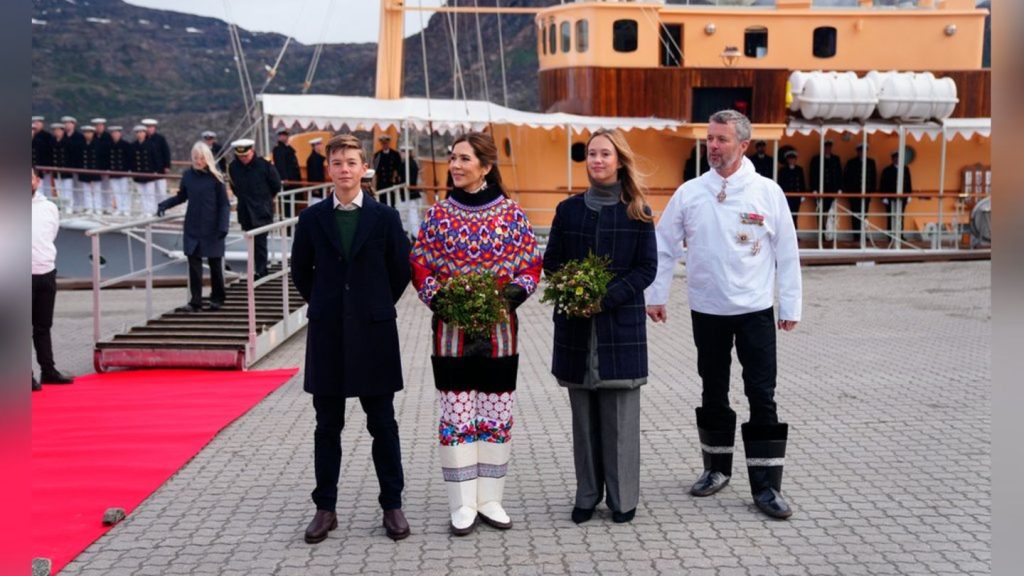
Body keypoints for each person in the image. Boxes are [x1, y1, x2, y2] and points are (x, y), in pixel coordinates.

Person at [646, 109, 802, 520]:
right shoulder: (690, 192)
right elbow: (665, 246)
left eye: (721, 140)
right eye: (710, 139)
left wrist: (790, 306)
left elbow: (787, 253)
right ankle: (716, 468)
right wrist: (656, 294)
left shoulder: (767, 192)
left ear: (743, 145)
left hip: (754, 312)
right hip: (708, 309)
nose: (713, 146)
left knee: (761, 394)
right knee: (712, 389)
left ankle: (767, 486)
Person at [410, 131, 542, 536]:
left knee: (497, 416)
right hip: (450, 336)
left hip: (501, 334)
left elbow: (531, 264)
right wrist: (442, 302)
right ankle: (462, 503)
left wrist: (509, 298)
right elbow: (419, 265)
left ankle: (491, 498)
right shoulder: (437, 215)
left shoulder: (511, 214)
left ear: (485, 167)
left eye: (464, 159)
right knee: (457, 417)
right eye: (453, 158)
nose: (455, 165)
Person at [290, 134, 412, 543]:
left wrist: (373, 304)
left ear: (365, 168)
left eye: (351, 162)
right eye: (337, 162)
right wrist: (328, 305)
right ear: (329, 169)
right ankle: (325, 508)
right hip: (328, 335)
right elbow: (300, 272)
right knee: (328, 426)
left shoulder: (384, 218)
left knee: (383, 423)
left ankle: (392, 505)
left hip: (374, 333)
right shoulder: (310, 219)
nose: (344, 169)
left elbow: (399, 271)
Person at [542, 129, 657, 525]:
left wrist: (605, 296)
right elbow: (552, 261)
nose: (597, 160)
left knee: (620, 420)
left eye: (605, 154)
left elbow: (647, 269)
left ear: (620, 160)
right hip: (576, 326)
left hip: (619, 325)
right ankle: (587, 494)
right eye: (592, 154)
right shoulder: (568, 210)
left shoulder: (638, 210)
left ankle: (623, 499)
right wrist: (573, 288)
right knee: (584, 420)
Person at [157, 142, 230, 313]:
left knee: (215, 265)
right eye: (196, 158)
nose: (199, 161)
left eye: (202, 158)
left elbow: (224, 205)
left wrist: (223, 226)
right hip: (193, 226)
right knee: (194, 266)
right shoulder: (188, 176)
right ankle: (195, 302)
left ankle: (217, 298)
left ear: (208, 159)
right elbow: (182, 196)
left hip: (213, 227)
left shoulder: (216, 178)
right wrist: (164, 205)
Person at [32, 169, 75, 391]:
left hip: (46, 272)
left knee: (43, 326)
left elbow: (51, 234)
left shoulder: (49, 207)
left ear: (37, 181)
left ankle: (48, 370)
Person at [228, 138, 281, 278]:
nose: (243, 159)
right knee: (251, 243)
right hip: (245, 210)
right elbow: (234, 188)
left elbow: (276, 185)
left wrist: (265, 199)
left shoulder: (265, 166)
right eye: (240, 156)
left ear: (252, 151)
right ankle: (256, 269)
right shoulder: (233, 167)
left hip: (262, 209)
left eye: (245, 156)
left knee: (260, 243)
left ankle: (261, 270)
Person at [843, 144, 877, 239]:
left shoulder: (871, 162)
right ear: (857, 152)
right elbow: (846, 177)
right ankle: (857, 235)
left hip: (866, 194)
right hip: (854, 194)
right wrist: (848, 192)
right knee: (855, 215)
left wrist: (871, 191)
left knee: (865, 214)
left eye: (864, 150)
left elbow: (874, 177)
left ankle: (864, 234)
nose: (862, 152)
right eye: (860, 151)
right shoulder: (851, 162)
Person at [880, 151, 913, 239]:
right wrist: (883, 197)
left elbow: (908, 182)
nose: (897, 159)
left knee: (900, 216)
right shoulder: (887, 170)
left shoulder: (905, 169)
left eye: (898, 157)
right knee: (890, 216)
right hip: (890, 197)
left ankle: (900, 235)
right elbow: (883, 184)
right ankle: (890, 236)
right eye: (895, 158)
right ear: (892, 159)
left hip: (902, 197)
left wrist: (909, 195)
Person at [809, 139, 842, 226]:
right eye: (826, 147)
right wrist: (814, 189)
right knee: (820, 212)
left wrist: (839, 188)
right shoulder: (816, 159)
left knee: (831, 212)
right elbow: (812, 175)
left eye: (829, 147)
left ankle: (830, 234)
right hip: (820, 190)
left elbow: (839, 174)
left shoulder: (835, 159)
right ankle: (822, 234)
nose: (827, 149)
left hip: (832, 190)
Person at [131, 125, 160, 215]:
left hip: (149, 172)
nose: (140, 134)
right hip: (138, 173)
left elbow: (155, 158)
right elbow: (131, 160)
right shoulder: (133, 145)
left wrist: (156, 170)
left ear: (145, 133)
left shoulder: (151, 145)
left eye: (142, 132)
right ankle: (144, 211)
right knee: (141, 194)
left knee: (150, 194)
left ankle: (150, 211)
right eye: (138, 132)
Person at [142, 118, 172, 201]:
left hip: (160, 168)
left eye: (151, 127)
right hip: (148, 169)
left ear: (154, 128)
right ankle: (152, 209)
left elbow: (166, 152)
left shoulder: (160, 139)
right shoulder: (143, 139)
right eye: (147, 127)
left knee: (161, 191)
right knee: (150, 192)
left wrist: (167, 166)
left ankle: (162, 209)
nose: (149, 129)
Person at [107, 126, 133, 215]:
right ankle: (119, 208)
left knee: (125, 191)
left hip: (123, 172)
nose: (115, 135)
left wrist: (129, 170)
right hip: (113, 172)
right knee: (116, 192)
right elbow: (107, 159)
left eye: (117, 133)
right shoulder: (109, 145)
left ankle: (126, 209)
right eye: (113, 133)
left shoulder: (126, 145)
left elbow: (129, 158)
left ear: (120, 134)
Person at [62, 116, 86, 213]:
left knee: (78, 187)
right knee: (66, 188)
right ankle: (68, 206)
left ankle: (80, 205)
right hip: (66, 166)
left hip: (77, 166)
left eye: (69, 123)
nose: (67, 125)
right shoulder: (62, 136)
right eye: (65, 123)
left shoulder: (79, 136)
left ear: (73, 124)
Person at [778, 149, 805, 229]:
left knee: (795, 215)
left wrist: (803, 194)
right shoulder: (783, 170)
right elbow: (780, 183)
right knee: (787, 215)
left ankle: (795, 233)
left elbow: (802, 182)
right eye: (790, 158)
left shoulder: (799, 169)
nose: (792, 160)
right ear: (787, 160)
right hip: (787, 197)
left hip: (797, 197)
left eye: (793, 158)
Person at [92, 118, 114, 213]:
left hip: (106, 167)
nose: (98, 127)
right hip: (96, 167)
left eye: (100, 125)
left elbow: (110, 153)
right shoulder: (93, 137)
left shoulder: (108, 137)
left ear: (103, 126)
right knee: (97, 189)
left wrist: (109, 168)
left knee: (107, 188)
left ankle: (108, 206)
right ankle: (98, 207)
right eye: (97, 126)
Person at [398, 144, 421, 238]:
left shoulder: (409, 164)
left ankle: (416, 235)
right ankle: (408, 233)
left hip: (410, 193)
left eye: (404, 151)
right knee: (406, 214)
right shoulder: (408, 162)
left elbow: (410, 179)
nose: (402, 153)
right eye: (402, 151)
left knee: (412, 216)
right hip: (407, 194)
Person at [79, 125, 102, 214]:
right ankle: (89, 207)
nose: (87, 134)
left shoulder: (98, 143)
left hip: (95, 170)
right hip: (85, 170)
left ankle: (98, 208)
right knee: (86, 191)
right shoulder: (82, 143)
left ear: (93, 133)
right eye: (85, 132)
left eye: (89, 132)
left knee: (97, 191)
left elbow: (101, 157)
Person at [372, 134, 402, 202]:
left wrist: (395, 177)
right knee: (382, 201)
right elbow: (375, 170)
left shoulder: (395, 154)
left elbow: (398, 168)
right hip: (381, 182)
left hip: (391, 182)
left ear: (389, 143)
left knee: (392, 201)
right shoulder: (377, 155)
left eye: (386, 143)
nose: (384, 145)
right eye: (383, 143)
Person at [50, 123, 73, 213]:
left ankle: (69, 208)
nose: (57, 132)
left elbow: (71, 156)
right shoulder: (53, 141)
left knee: (68, 190)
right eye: (55, 130)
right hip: (56, 170)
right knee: (59, 190)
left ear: (62, 131)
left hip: (66, 170)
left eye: (58, 130)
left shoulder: (68, 141)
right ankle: (62, 206)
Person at [32, 116, 55, 198]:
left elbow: (50, 152)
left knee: (47, 187)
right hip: (34, 167)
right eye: (34, 123)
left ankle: (47, 201)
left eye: (38, 123)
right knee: (36, 186)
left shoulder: (47, 136)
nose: (36, 125)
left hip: (45, 167)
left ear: (42, 124)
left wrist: (49, 166)